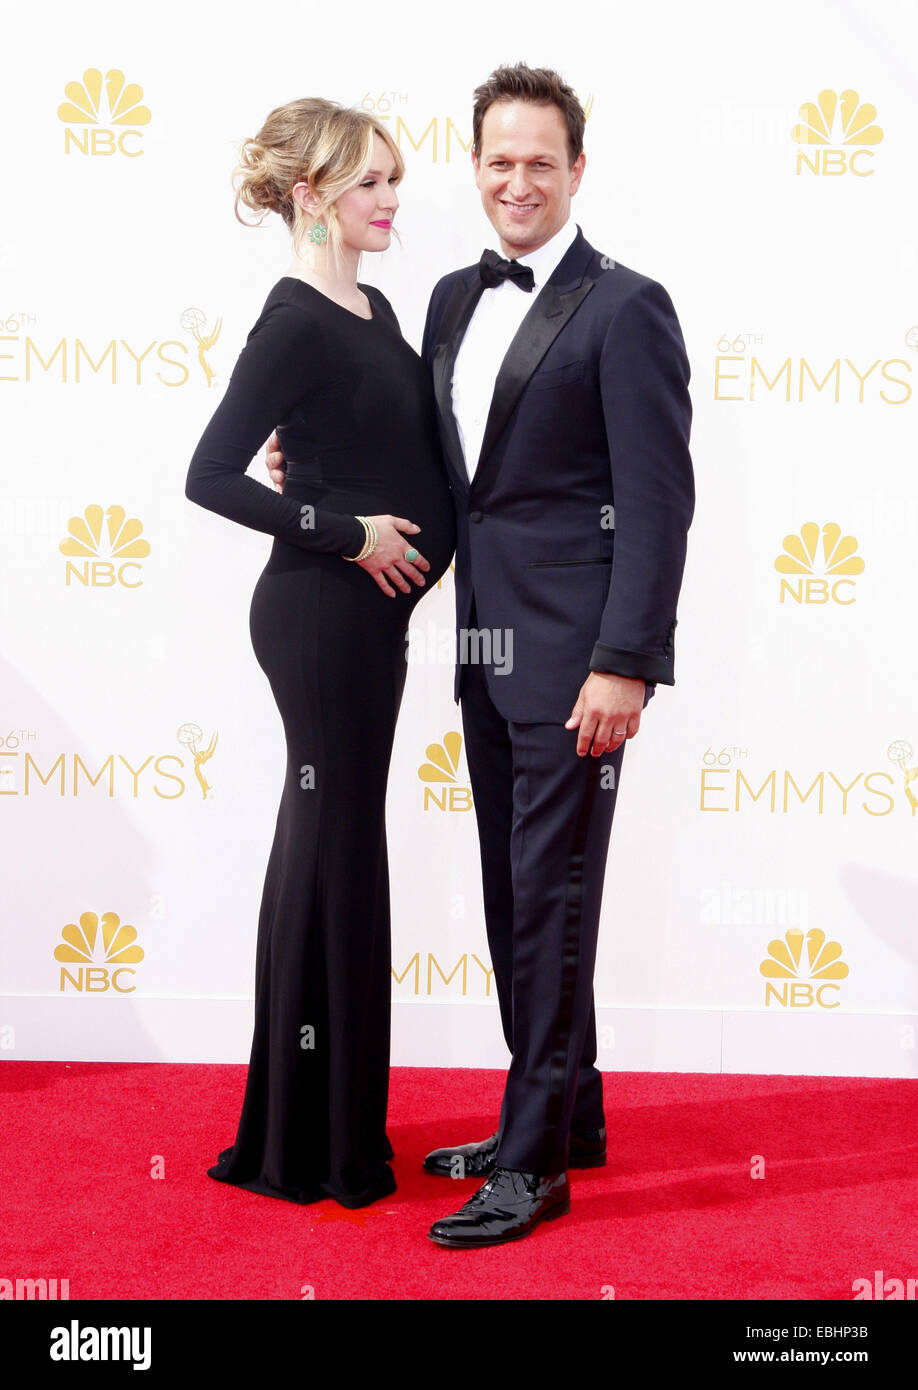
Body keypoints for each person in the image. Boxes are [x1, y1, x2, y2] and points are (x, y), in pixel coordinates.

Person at [268, 63, 694, 1247]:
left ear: (577, 171)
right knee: (522, 895)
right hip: (483, 645)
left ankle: (532, 1163)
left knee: (549, 901)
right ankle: (567, 1118)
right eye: (498, 161)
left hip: (579, 665)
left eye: (540, 162)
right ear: (477, 166)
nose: (518, 180)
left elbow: (660, 504)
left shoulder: (627, 307)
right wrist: (317, 483)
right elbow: (443, 475)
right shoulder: (451, 299)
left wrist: (627, 659)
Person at [185, 97, 455, 1209]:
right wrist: (344, 534)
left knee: (331, 843)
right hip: (317, 618)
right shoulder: (295, 316)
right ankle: (319, 1144)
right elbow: (210, 474)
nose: (392, 200)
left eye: (395, 180)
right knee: (336, 845)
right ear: (312, 197)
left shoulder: (376, 305)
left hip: (366, 622)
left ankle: (314, 1126)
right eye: (370, 184)